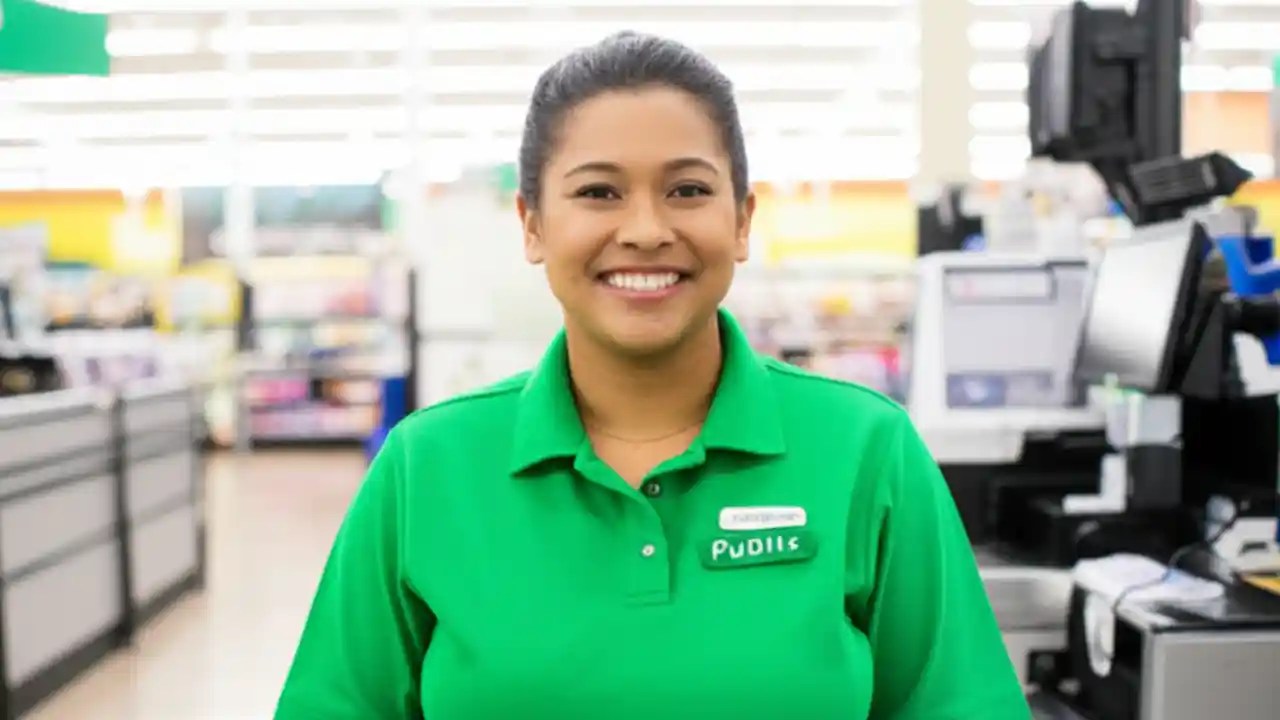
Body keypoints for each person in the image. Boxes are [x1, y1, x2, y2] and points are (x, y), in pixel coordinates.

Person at [276, 32, 1030, 720]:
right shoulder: (426, 468)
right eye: (599, 192)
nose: (644, 229)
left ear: (741, 220)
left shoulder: (867, 451)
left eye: (688, 190)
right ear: (533, 224)